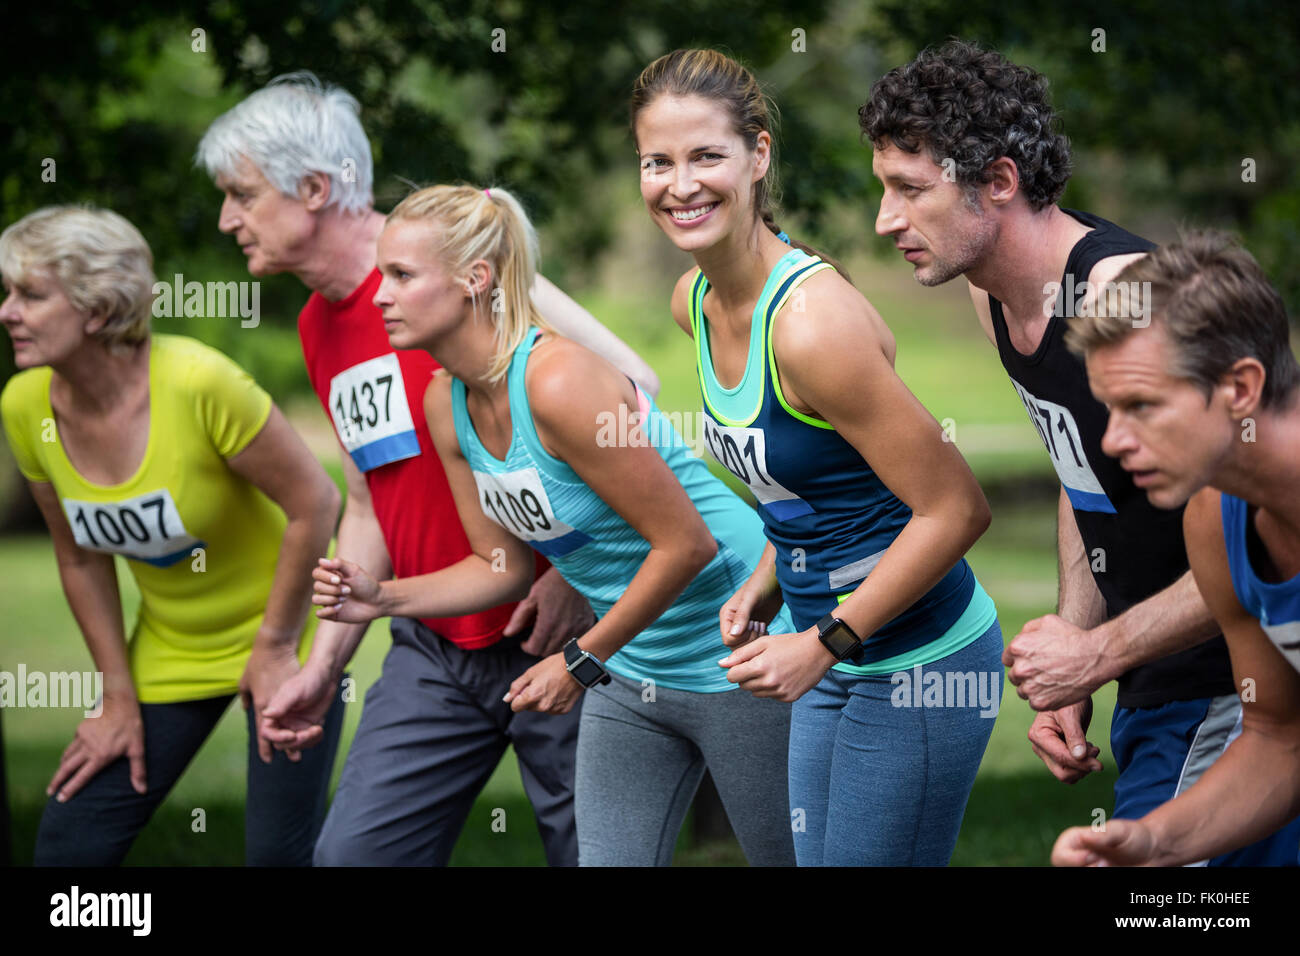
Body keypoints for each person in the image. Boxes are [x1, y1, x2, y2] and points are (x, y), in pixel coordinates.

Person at [197, 73, 661, 866]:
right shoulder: (319, 323)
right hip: (433, 648)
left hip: (552, 635)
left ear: (313, 189)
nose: (226, 218)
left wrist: (575, 577)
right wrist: (321, 666)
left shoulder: (451, 265)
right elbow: (368, 505)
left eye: (241, 194)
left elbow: (636, 391)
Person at [860, 38, 1300, 864]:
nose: (885, 219)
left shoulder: (1127, 296)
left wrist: (1098, 652)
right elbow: (1082, 475)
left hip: (1213, 677)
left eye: (910, 190)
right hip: (1175, 681)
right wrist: (1077, 641)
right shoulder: (993, 302)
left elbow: (1257, 505)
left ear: (999, 180)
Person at [311, 183, 796, 866]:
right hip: (632, 667)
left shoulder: (559, 380)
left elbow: (687, 544)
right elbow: (500, 568)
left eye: (401, 276)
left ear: (475, 280)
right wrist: (383, 597)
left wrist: (580, 658)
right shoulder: (446, 403)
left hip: (741, 647)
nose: (379, 295)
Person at [631, 48, 1003, 866]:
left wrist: (825, 640)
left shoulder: (809, 324)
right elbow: (811, 483)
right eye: (658, 162)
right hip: (827, 648)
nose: (680, 184)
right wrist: (769, 580)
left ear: (758, 156)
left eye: (706, 156)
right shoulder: (693, 300)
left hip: (917, 661)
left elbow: (956, 509)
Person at [0, 205, 343, 865]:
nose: (7, 311)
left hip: (285, 636)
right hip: (170, 646)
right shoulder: (24, 406)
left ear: (97, 310)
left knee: (278, 856)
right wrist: (116, 696)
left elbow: (316, 504)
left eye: (31, 295)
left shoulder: (198, 382)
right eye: (9, 293)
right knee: (70, 847)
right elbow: (78, 557)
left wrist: (275, 647)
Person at [1052, 233, 1300, 865]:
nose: (1111, 442)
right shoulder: (1216, 519)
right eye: (1109, 409)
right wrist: (1154, 840)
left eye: (1142, 407)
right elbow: (1278, 738)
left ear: (1241, 388)